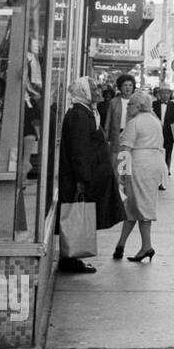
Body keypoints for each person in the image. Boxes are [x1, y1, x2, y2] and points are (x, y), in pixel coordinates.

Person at [55, 77, 123, 273]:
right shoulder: (79, 115)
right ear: (84, 92)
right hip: (78, 179)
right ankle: (70, 259)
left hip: (82, 177)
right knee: (77, 217)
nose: (98, 92)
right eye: (93, 89)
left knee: (79, 217)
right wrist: (82, 179)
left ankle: (72, 258)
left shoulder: (85, 112)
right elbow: (80, 150)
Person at [111, 90, 164, 262]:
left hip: (139, 165)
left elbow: (125, 149)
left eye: (131, 104)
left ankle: (146, 246)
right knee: (134, 206)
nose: (128, 107)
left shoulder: (134, 123)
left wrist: (122, 174)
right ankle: (120, 245)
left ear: (139, 106)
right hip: (154, 164)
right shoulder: (155, 121)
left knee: (140, 206)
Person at [152, 86, 174, 188]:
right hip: (155, 136)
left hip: (169, 135)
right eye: (163, 93)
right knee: (156, 156)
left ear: (170, 95)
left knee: (167, 156)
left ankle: (163, 180)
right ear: (159, 94)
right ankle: (156, 177)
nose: (165, 95)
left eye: (167, 93)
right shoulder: (153, 105)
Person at [105, 73, 135, 159]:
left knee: (129, 164)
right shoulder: (113, 102)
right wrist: (106, 139)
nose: (128, 87)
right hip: (116, 136)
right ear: (120, 87)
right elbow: (108, 122)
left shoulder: (136, 102)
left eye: (130, 85)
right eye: (125, 85)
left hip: (131, 136)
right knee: (115, 162)